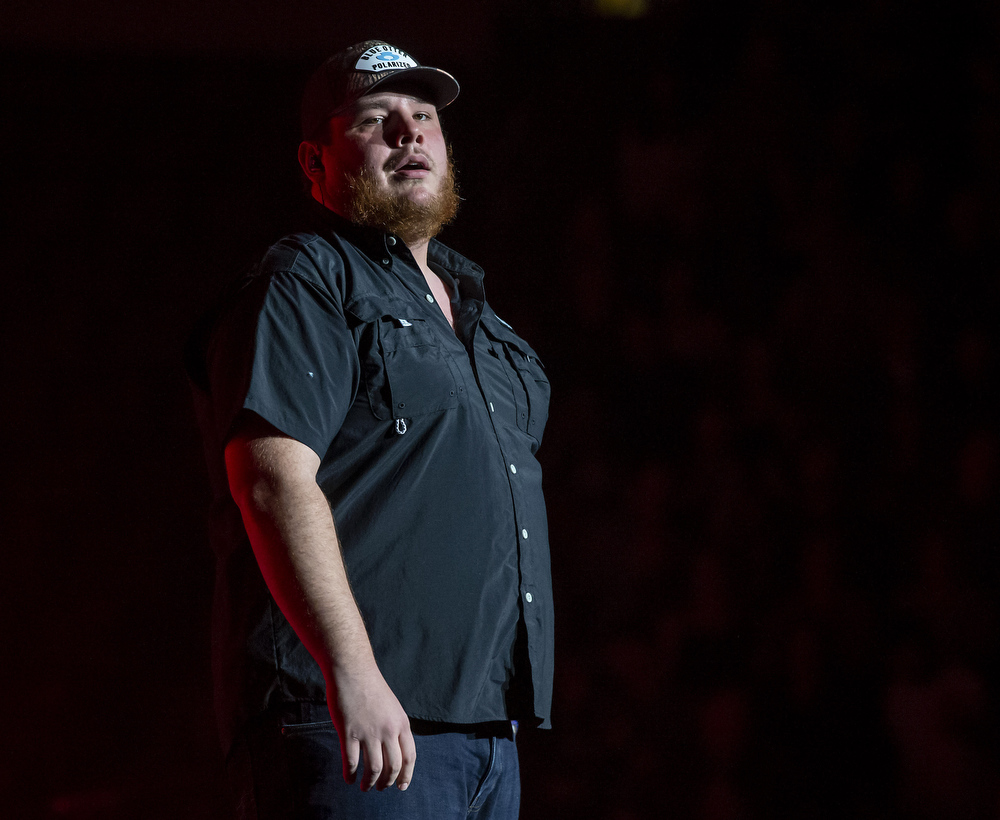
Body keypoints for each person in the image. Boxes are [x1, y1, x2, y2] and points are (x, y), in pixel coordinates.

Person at [187, 40, 554, 819]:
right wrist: (351, 672)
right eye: (373, 118)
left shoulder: (486, 324)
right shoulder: (306, 282)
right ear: (314, 161)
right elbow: (271, 480)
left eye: (424, 116)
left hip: (486, 735)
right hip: (354, 725)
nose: (409, 131)